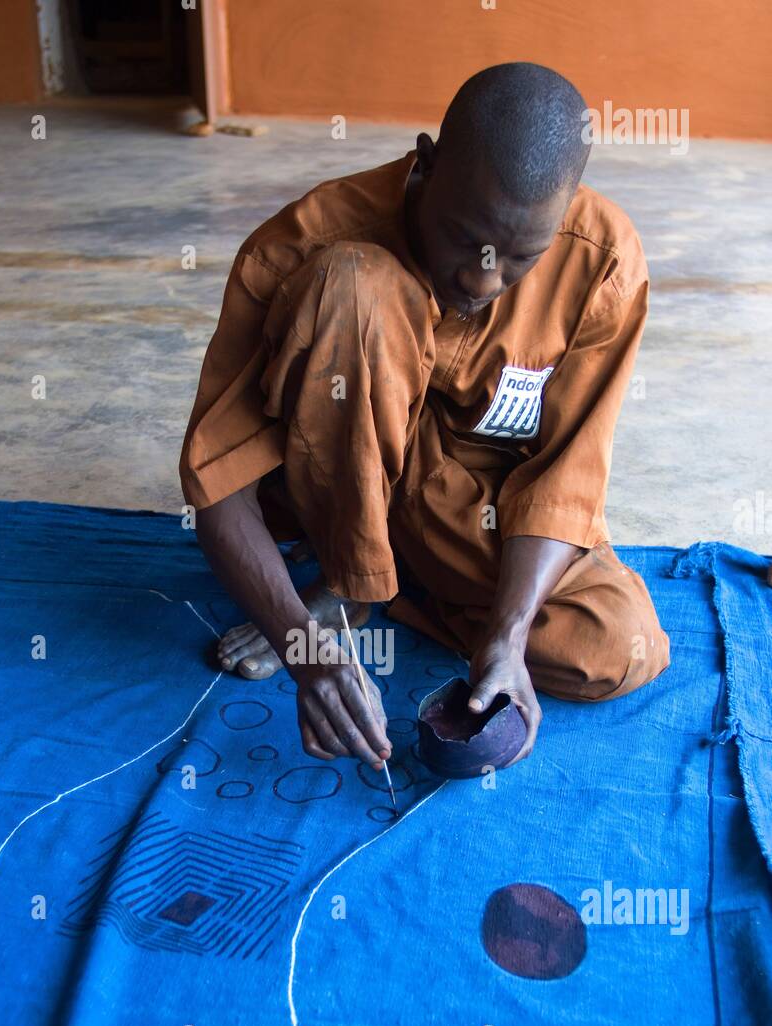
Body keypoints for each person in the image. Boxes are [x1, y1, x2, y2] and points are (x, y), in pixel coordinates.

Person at [179, 62, 669, 774]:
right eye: (463, 238)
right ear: (427, 163)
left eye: (518, 260)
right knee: (353, 288)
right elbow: (219, 488)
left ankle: (397, 585)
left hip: (467, 505)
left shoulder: (601, 263)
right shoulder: (300, 246)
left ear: (562, 218)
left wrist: (506, 636)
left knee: (613, 647)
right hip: (331, 471)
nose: (480, 278)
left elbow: (564, 477)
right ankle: (348, 584)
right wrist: (303, 651)